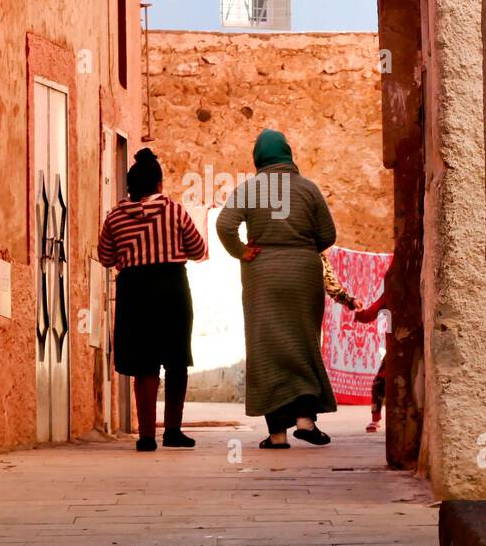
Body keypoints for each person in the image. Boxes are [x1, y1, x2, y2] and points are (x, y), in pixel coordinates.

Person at [217, 129, 337, 449]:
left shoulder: (248, 189)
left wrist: (241, 251)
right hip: (303, 273)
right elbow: (328, 235)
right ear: (287, 153)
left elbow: (224, 224)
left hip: (263, 274)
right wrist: (301, 246)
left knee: (266, 349)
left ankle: (277, 435)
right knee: (303, 343)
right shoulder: (308, 189)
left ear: (259, 157)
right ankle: (305, 422)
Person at [96, 148, 206, 452]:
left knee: (144, 364)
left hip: (134, 290)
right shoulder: (174, 211)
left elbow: (105, 257)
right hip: (172, 287)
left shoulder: (115, 217)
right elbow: (197, 249)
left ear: (130, 186)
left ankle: (146, 435)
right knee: (176, 359)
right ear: (159, 184)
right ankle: (173, 430)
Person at [354, 286, 390, 433]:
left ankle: (375, 419)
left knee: (379, 382)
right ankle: (375, 419)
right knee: (380, 382)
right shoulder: (392, 291)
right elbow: (370, 314)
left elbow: (369, 315)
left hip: (398, 346)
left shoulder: (391, 290)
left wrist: (359, 313)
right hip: (402, 346)